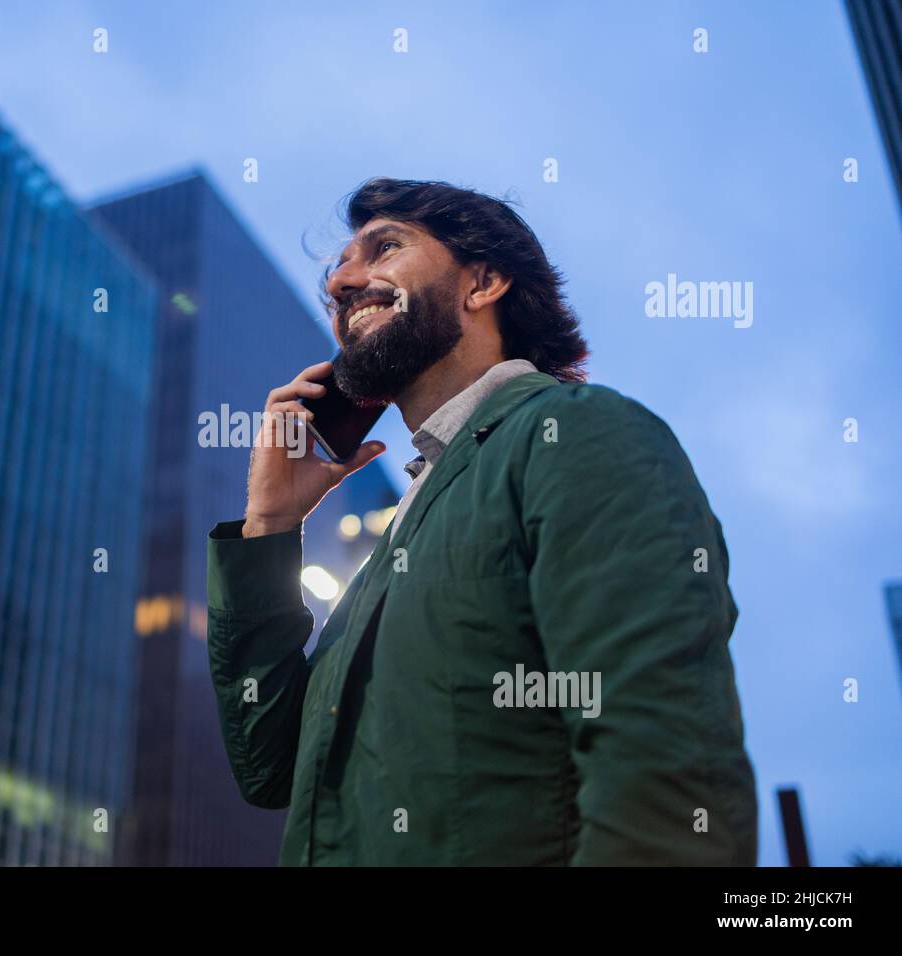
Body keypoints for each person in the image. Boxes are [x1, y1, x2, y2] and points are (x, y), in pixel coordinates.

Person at [205, 177, 758, 865]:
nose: (343, 281)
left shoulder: (576, 432)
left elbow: (664, 764)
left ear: (484, 280)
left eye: (384, 248)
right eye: (336, 271)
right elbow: (267, 769)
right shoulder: (407, 522)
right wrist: (269, 526)